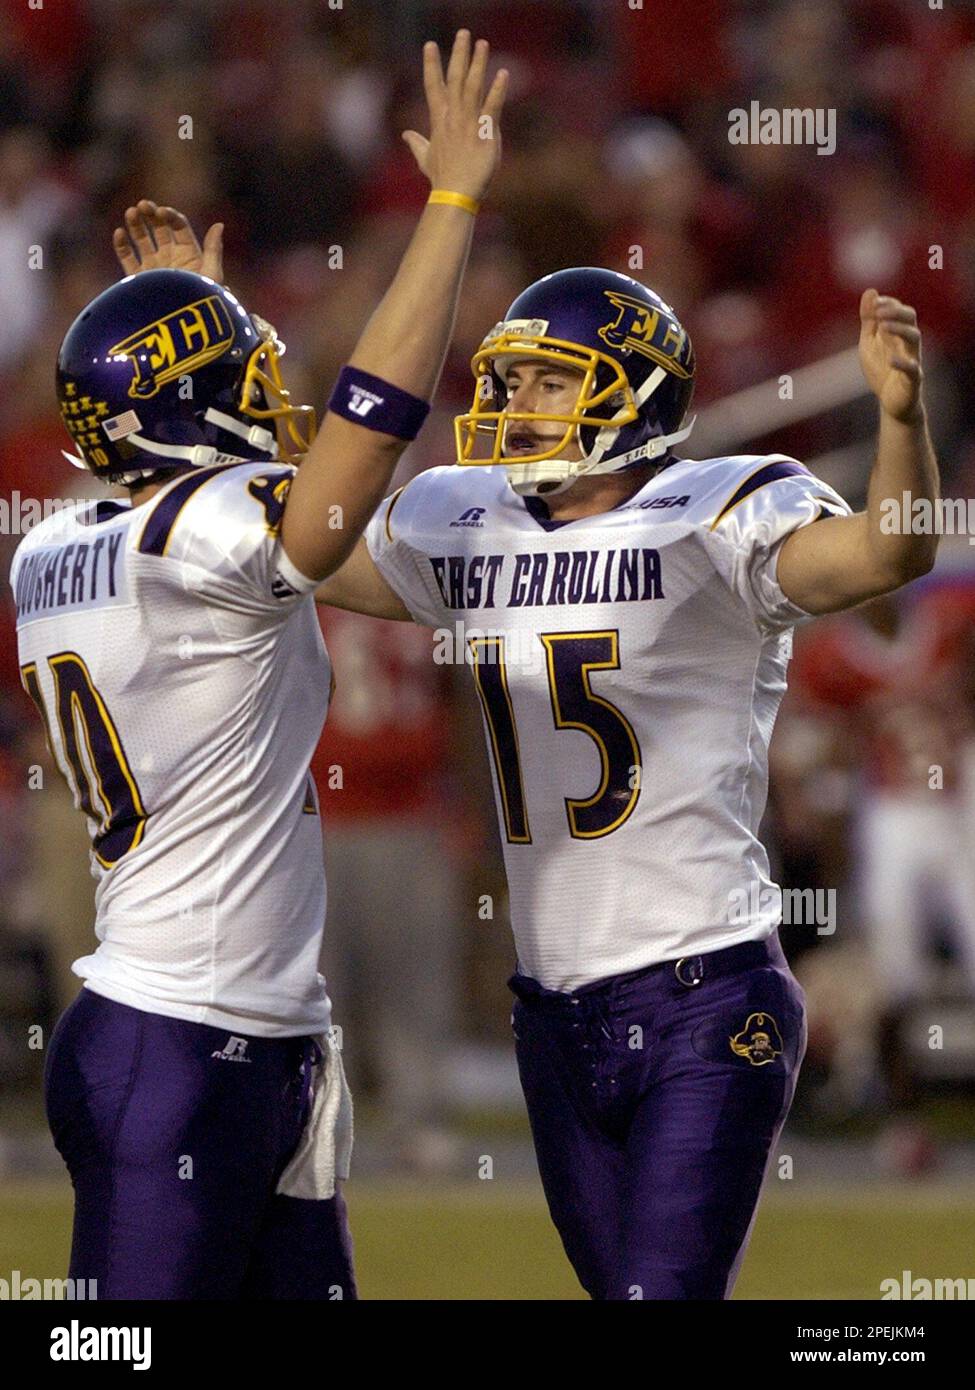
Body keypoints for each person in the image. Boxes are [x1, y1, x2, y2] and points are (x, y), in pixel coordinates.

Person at [117, 253, 937, 1298]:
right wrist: (220, 361)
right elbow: (302, 550)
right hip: (552, 1008)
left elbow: (885, 557)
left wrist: (902, 424)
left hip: (707, 990)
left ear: (633, 389)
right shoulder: (467, 517)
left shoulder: (719, 511)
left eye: (550, 380)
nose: (514, 404)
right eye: (508, 381)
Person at [10, 31, 507, 1300]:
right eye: (247, 374)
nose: (273, 392)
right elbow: (357, 447)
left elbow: (275, 501)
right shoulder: (204, 532)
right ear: (193, 410)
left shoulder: (66, 542)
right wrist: (445, 209)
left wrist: (201, 327)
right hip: (181, 1040)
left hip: (242, 1034)